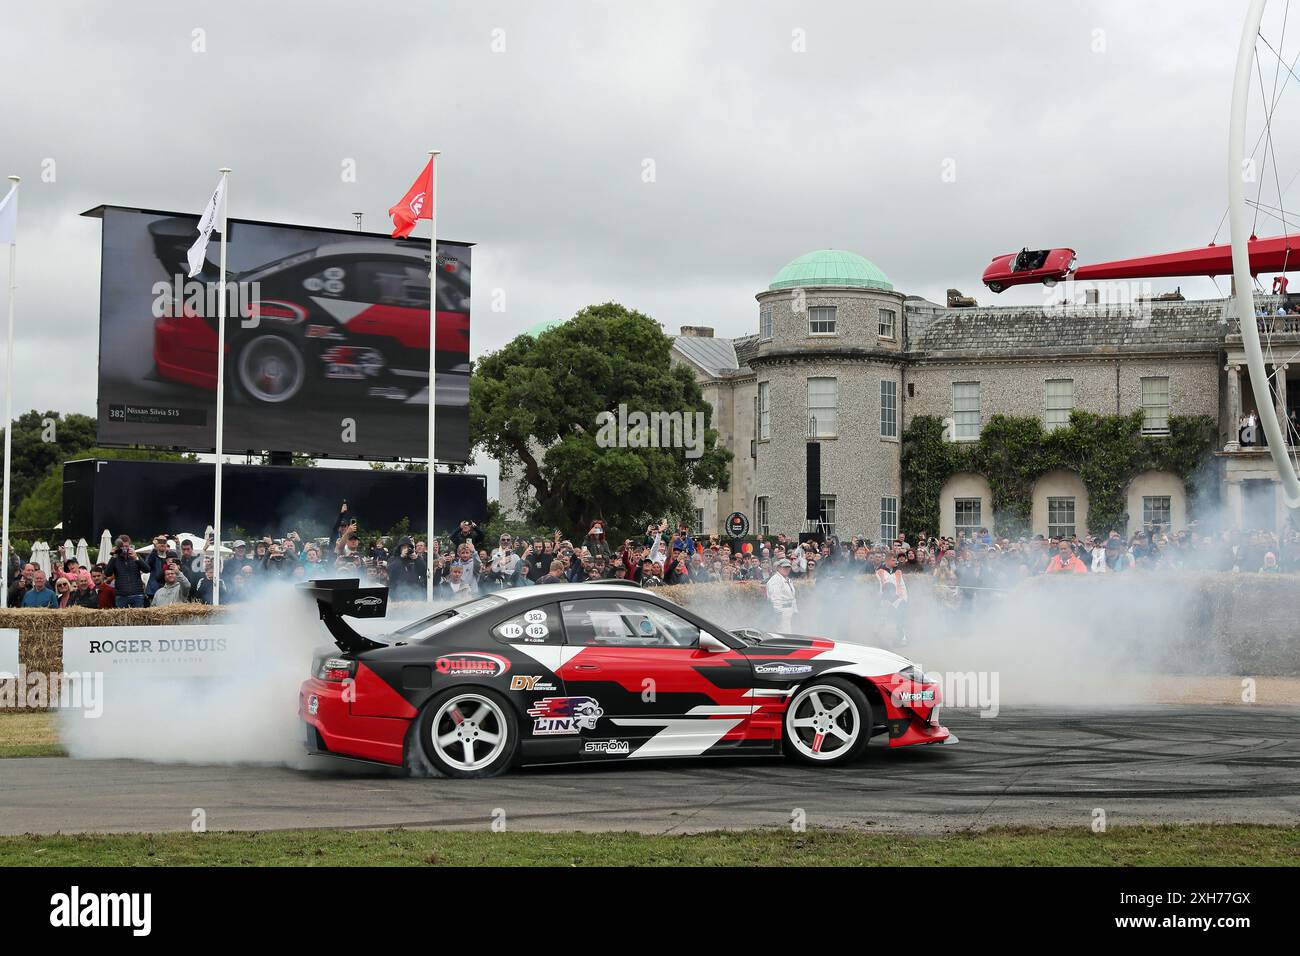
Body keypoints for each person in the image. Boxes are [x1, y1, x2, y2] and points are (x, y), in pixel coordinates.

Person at [105, 536, 150, 608]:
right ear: (118, 547)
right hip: (121, 595)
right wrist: (114, 556)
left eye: (126, 546)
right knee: (121, 618)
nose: (124, 549)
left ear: (130, 546)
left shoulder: (135, 557)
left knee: (138, 618)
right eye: (122, 546)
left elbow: (147, 570)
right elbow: (107, 573)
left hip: (137, 594)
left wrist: (136, 558)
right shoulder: (115, 558)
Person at [875, 553, 909, 646]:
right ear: (887, 561)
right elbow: (879, 587)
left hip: (897, 598)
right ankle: (881, 636)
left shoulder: (898, 572)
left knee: (899, 616)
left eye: (896, 560)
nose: (896, 562)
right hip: (884, 599)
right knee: (884, 618)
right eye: (893, 560)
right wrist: (882, 600)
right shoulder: (879, 572)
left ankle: (902, 637)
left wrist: (904, 599)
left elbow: (902, 586)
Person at [765, 558, 797, 631]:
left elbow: (792, 597)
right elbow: (775, 598)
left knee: (789, 633)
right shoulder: (776, 580)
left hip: (789, 610)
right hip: (781, 612)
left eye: (788, 567)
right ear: (779, 568)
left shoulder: (788, 579)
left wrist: (795, 610)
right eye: (784, 567)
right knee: (783, 634)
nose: (787, 569)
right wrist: (778, 613)